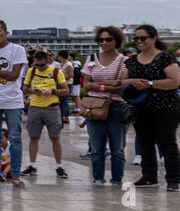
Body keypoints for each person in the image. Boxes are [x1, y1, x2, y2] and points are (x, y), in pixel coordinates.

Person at [122, 24, 180, 190]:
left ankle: (174, 179)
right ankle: (149, 177)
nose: (139, 41)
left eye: (143, 38)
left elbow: (175, 81)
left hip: (166, 107)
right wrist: (132, 83)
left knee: (167, 142)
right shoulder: (132, 61)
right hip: (141, 108)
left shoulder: (165, 58)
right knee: (145, 142)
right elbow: (124, 81)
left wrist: (149, 84)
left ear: (154, 38)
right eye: (136, 38)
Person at [79, 26, 129, 186]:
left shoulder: (124, 61)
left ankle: (117, 179)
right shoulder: (92, 58)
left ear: (116, 40)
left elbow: (121, 86)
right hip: (94, 107)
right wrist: (107, 86)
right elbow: (87, 84)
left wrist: (98, 86)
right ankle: (98, 178)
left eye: (108, 39)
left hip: (117, 106)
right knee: (96, 147)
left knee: (117, 148)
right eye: (101, 40)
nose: (104, 42)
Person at [0, 19, 28, 187]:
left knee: (15, 138)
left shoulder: (17, 50)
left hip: (12, 101)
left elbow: (14, 75)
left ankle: (15, 174)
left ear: (5, 32)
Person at [20, 49, 68, 179]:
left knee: (55, 137)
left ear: (48, 61)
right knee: (33, 137)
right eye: (36, 64)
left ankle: (59, 166)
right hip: (34, 107)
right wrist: (32, 90)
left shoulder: (56, 71)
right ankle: (32, 165)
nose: (39, 67)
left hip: (52, 107)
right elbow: (24, 88)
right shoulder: (32, 71)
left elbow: (65, 90)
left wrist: (52, 91)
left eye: (42, 65)